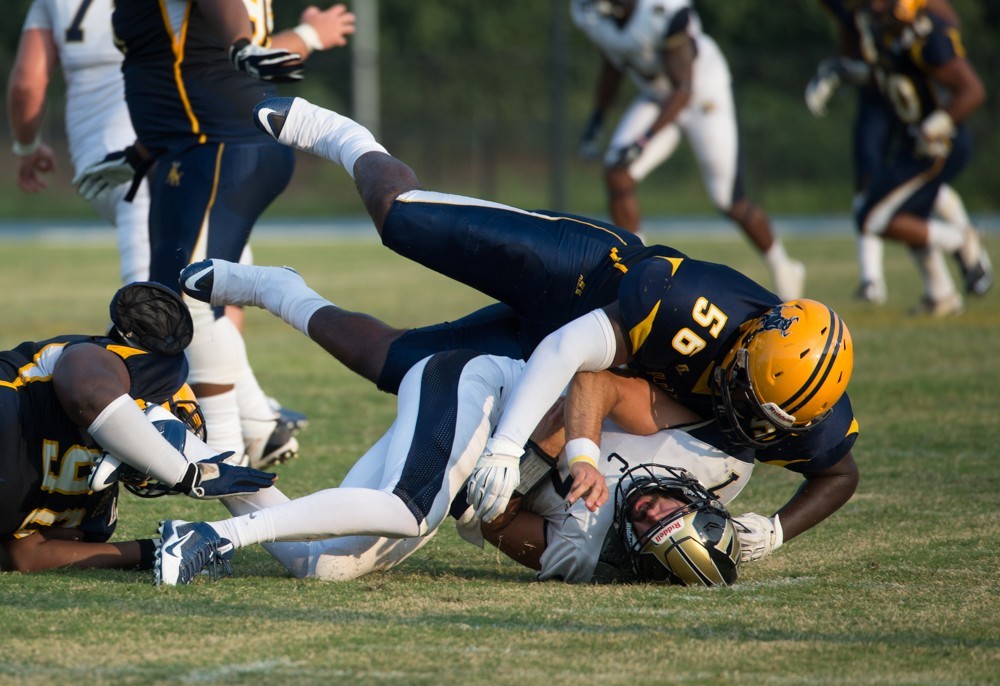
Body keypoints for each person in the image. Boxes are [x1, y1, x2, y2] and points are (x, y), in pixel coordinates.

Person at [218, 94, 857, 551]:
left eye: (765, 414)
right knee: (402, 220)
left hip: (570, 357)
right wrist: (503, 450)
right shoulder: (697, 303)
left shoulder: (802, 404)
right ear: (748, 342)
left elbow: (839, 474)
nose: (745, 412)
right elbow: (576, 345)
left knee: (396, 365)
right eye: (745, 388)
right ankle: (340, 135)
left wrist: (775, 529)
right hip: (580, 280)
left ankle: (276, 291)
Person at [154, 265, 766, 586]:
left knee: (325, 565)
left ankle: (191, 457)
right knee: (409, 508)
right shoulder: (710, 457)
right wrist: (575, 451)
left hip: (468, 452)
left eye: (653, 532)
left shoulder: (588, 556)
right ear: (700, 498)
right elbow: (595, 376)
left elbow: (492, 521)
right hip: (480, 386)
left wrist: (491, 496)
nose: (651, 512)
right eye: (671, 514)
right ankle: (212, 538)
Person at [74, 0, 355, 467]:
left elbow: (222, 21)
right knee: (166, 301)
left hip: (220, 144)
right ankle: (254, 432)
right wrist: (141, 151)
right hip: (187, 145)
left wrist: (242, 43)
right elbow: (180, 64)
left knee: (189, 298)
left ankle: (223, 456)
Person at [0, 281, 277, 574]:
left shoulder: (96, 502)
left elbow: (23, 556)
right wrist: (182, 472)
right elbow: (87, 387)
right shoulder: (103, 359)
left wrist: (158, 550)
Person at [569, 0, 806, 301]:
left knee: (729, 200)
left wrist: (643, 141)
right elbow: (613, 60)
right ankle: (634, 273)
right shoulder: (589, 14)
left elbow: (684, 88)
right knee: (618, 173)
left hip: (701, 94)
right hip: (656, 95)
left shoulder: (663, 11)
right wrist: (598, 117)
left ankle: (783, 267)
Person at [805, 0, 992, 308]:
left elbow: (973, 91)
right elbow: (884, 77)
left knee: (871, 217)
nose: (874, 8)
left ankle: (959, 240)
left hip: (938, 146)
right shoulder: (892, 35)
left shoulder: (929, 40)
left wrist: (933, 128)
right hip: (917, 144)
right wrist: (837, 72)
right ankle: (941, 294)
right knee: (908, 216)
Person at [6, 0, 150, 286]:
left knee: (165, 299)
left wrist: (27, 147)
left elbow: (26, 83)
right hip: (171, 139)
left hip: (101, 153)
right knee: (213, 284)